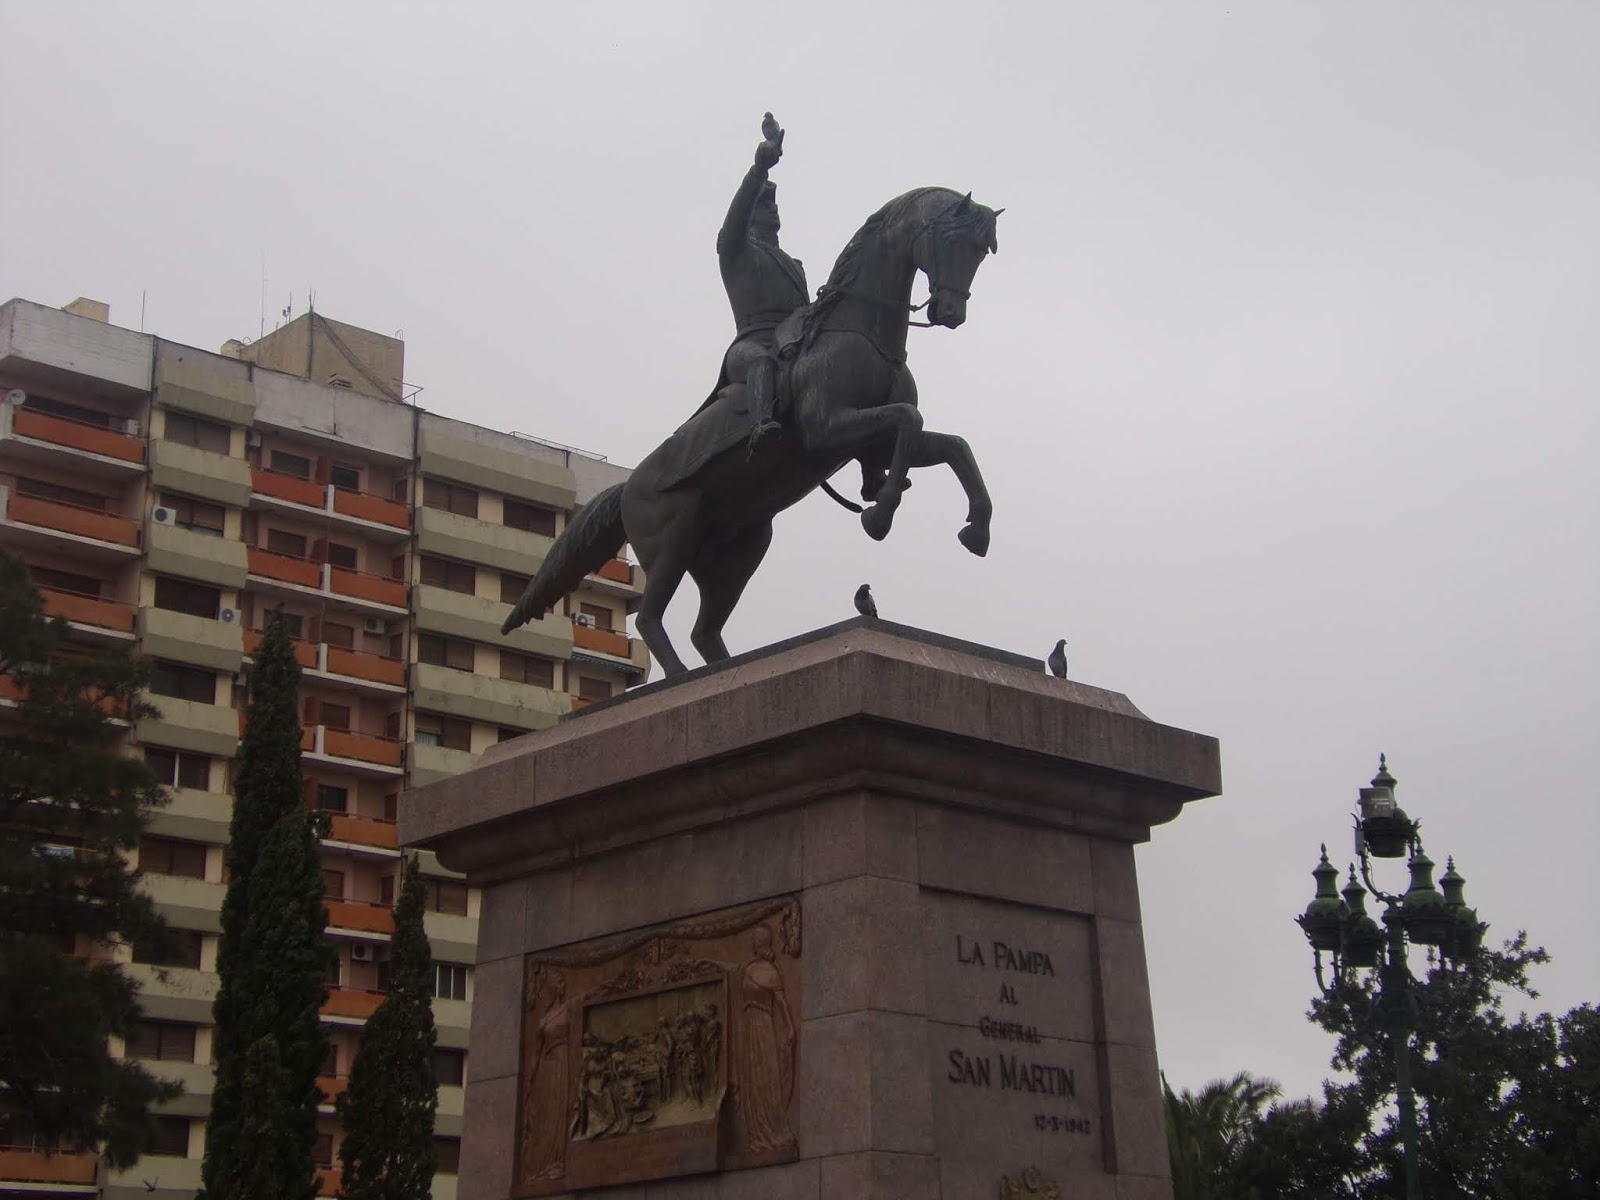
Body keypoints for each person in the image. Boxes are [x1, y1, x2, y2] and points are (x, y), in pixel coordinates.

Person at [714, 112, 810, 450]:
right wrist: (759, 172)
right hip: (750, 344)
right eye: (763, 203)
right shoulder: (735, 249)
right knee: (760, 362)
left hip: (791, 346)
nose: (773, 208)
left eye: (774, 203)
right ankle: (760, 426)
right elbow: (736, 216)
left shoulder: (794, 265)